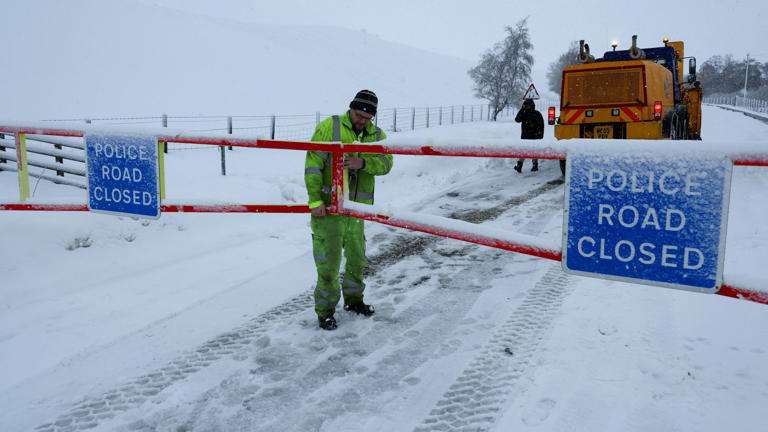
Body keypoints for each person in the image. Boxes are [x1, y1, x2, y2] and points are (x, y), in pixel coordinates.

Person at [304, 90, 393, 331]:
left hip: (357, 212)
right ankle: (325, 312)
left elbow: (387, 164)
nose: (361, 121)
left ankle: (354, 301)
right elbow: (313, 165)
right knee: (328, 266)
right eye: (358, 114)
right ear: (350, 109)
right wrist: (315, 201)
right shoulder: (329, 127)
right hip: (329, 211)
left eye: (367, 117)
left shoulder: (377, 135)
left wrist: (362, 163)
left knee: (356, 260)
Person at [513, 98, 544, 173]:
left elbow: (541, 125)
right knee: (523, 151)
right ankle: (519, 166)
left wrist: (540, 135)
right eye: (525, 105)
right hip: (525, 137)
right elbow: (517, 119)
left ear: (532, 105)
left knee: (534, 151)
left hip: (534, 136)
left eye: (528, 105)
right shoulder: (524, 113)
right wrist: (522, 109)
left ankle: (535, 165)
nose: (526, 107)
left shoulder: (537, 114)